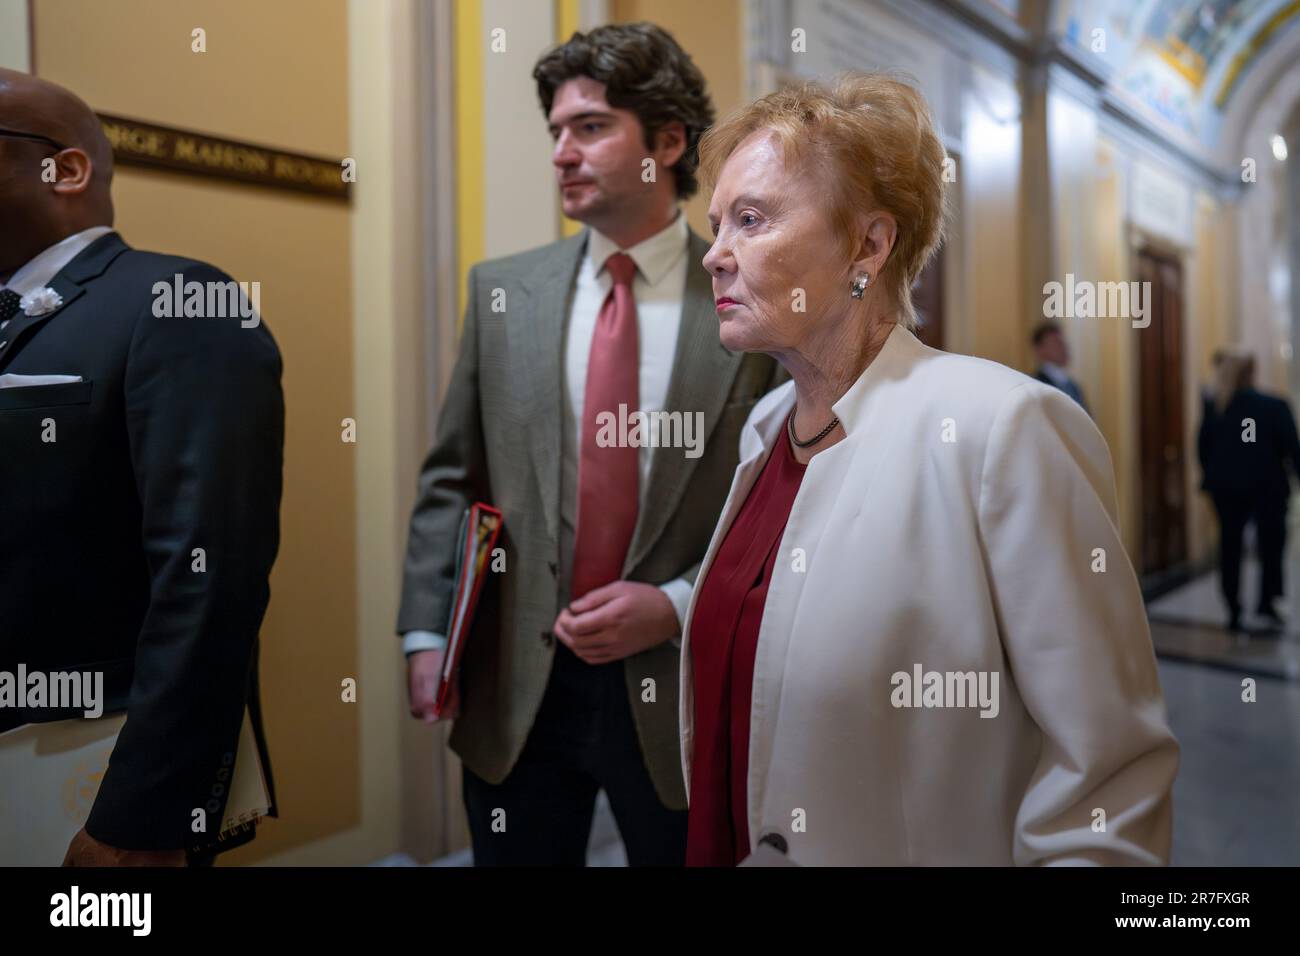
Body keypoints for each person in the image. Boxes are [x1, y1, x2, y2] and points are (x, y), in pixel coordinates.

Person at [681, 73, 1178, 866]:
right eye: (716, 225)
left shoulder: (1002, 430)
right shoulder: (766, 433)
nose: (714, 256)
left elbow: (1109, 776)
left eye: (751, 220)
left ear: (867, 246)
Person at [397, 23, 783, 866]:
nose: (562, 153)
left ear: (668, 143)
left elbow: (782, 509)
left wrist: (676, 603)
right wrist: (426, 635)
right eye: (556, 132)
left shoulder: (747, 302)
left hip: (679, 680)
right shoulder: (504, 292)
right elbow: (451, 478)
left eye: (591, 127)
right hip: (517, 684)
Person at [0, 69, 284, 865]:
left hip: (84, 761)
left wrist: (140, 819)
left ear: (66, 168)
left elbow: (209, 578)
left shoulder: (178, 301)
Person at [1197, 349, 1300, 632]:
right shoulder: (1274, 405)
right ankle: (1267, 601)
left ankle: (1233, 607)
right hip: (1269, 487)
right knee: (1271, 545)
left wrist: (1215, 475)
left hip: (1227, 489)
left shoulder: (1217, 406)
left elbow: (1204, 448)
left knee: (1230, 546)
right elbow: (1293, 448)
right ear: (1252, 373)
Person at [1032, 320, 1088, 413]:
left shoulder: (1073, 386)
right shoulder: (1036, 385)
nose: (1063, 348)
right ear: (1040, 350)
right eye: (1056, 343)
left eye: (1063, 342)